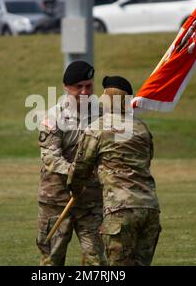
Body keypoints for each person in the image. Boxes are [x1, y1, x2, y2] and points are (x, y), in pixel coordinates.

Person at [67, 76, 162, 266]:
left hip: (120, 211)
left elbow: (81, 167)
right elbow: (146, 161)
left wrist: (75, 189)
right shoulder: (142, 128)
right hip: (150, 209)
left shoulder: (97, 128)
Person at [36, 61, 106, 266]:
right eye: (79, 87)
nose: (85, 91)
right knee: (52, 261)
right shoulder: (53, 117)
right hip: (57, 201)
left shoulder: (102, 115)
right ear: (66, 87)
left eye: (89, 85)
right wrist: (77, 172)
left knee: (97, 261)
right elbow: (50, 158)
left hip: (91, 202)